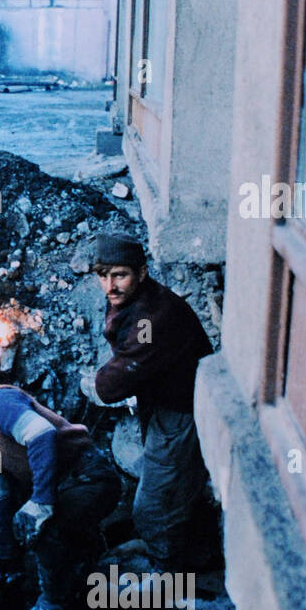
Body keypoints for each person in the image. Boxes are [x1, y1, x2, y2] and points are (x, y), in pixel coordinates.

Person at [0, 344, 121, 610]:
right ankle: (81, 585)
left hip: (90, 478)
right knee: (23, 531)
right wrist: (8, 563)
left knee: (46, 530)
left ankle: (53, 608)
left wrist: (41, 502)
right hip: (63, 489)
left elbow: (41, 435)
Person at [91, 233, 213, 572]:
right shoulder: (131, 298)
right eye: (103, 275)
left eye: (119, 275)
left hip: (179, 412)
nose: (109, 285)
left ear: (142, 273)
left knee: (154, 506)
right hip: (162, 399)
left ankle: (167, 565)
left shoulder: (151, 319)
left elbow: (110, 386)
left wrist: (95, 382)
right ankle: (173, 537)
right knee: (171, 482)